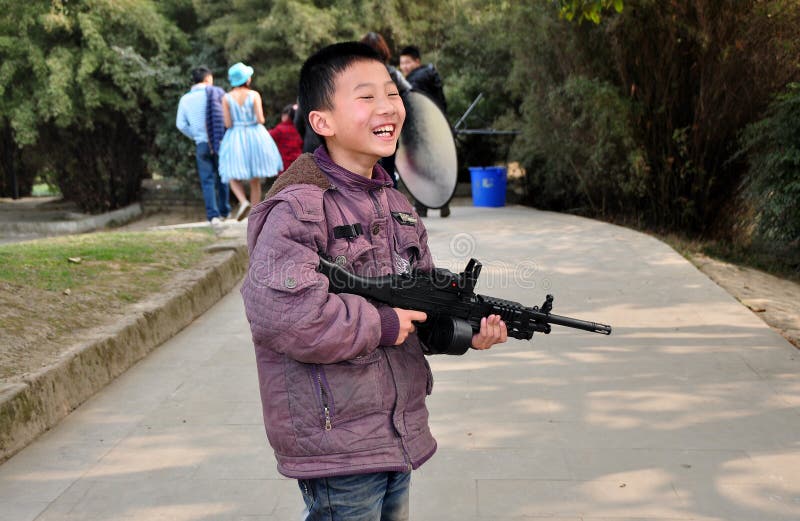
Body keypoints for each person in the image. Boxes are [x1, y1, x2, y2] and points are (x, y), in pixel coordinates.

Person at [240, 42, 508, 521]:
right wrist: (381, 323)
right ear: (322, 121)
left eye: (392, 93)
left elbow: (418, 313)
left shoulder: (398, 205)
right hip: (335, 436)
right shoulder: (298, 208)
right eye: (366, 97)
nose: (388, 107)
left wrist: (467, 329)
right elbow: (285, 317)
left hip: (394, 432)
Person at [218, 62, 283, 221]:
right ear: (246, 79)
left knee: (230, 172)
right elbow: (260, 119)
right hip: (255, 134)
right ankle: (255, 213)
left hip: (235, 136)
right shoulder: (254, 95)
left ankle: (243, 201)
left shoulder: (226, 98)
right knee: (255, 177)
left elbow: (228, 124)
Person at [398, 45, 451, 218]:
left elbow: (412, 105)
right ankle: (444, 204)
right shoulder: (431, 74)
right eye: (402, 63)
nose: (404, 67)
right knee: (438, 167)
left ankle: (421, 207)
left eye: (407, 62)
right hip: (437, 128)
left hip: (421, 131)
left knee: (421, 168)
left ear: (417, 62)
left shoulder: (415, 80)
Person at [176, 66, 231, 225]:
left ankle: (213, 216)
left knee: (207, 180)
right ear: (208, 79)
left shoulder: (185, 99)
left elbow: (181, 124)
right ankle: (225, 211)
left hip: (201, 144)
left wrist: (196, 136)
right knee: (223, 177)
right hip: (219, 141)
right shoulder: (218, 94)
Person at [360, 32, 411, 188]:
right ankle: (392, 208)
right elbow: (409, 92)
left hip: (367, 128)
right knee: (388, 170)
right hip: (390, 128)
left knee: (365, 170)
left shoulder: (356, 74)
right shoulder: (393, 73)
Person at [268, 104, 303, 174]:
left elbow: (268, 136)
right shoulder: (299, 128)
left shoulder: (280, 129)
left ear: (286, 115)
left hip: (285, 162)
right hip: (299, 161)